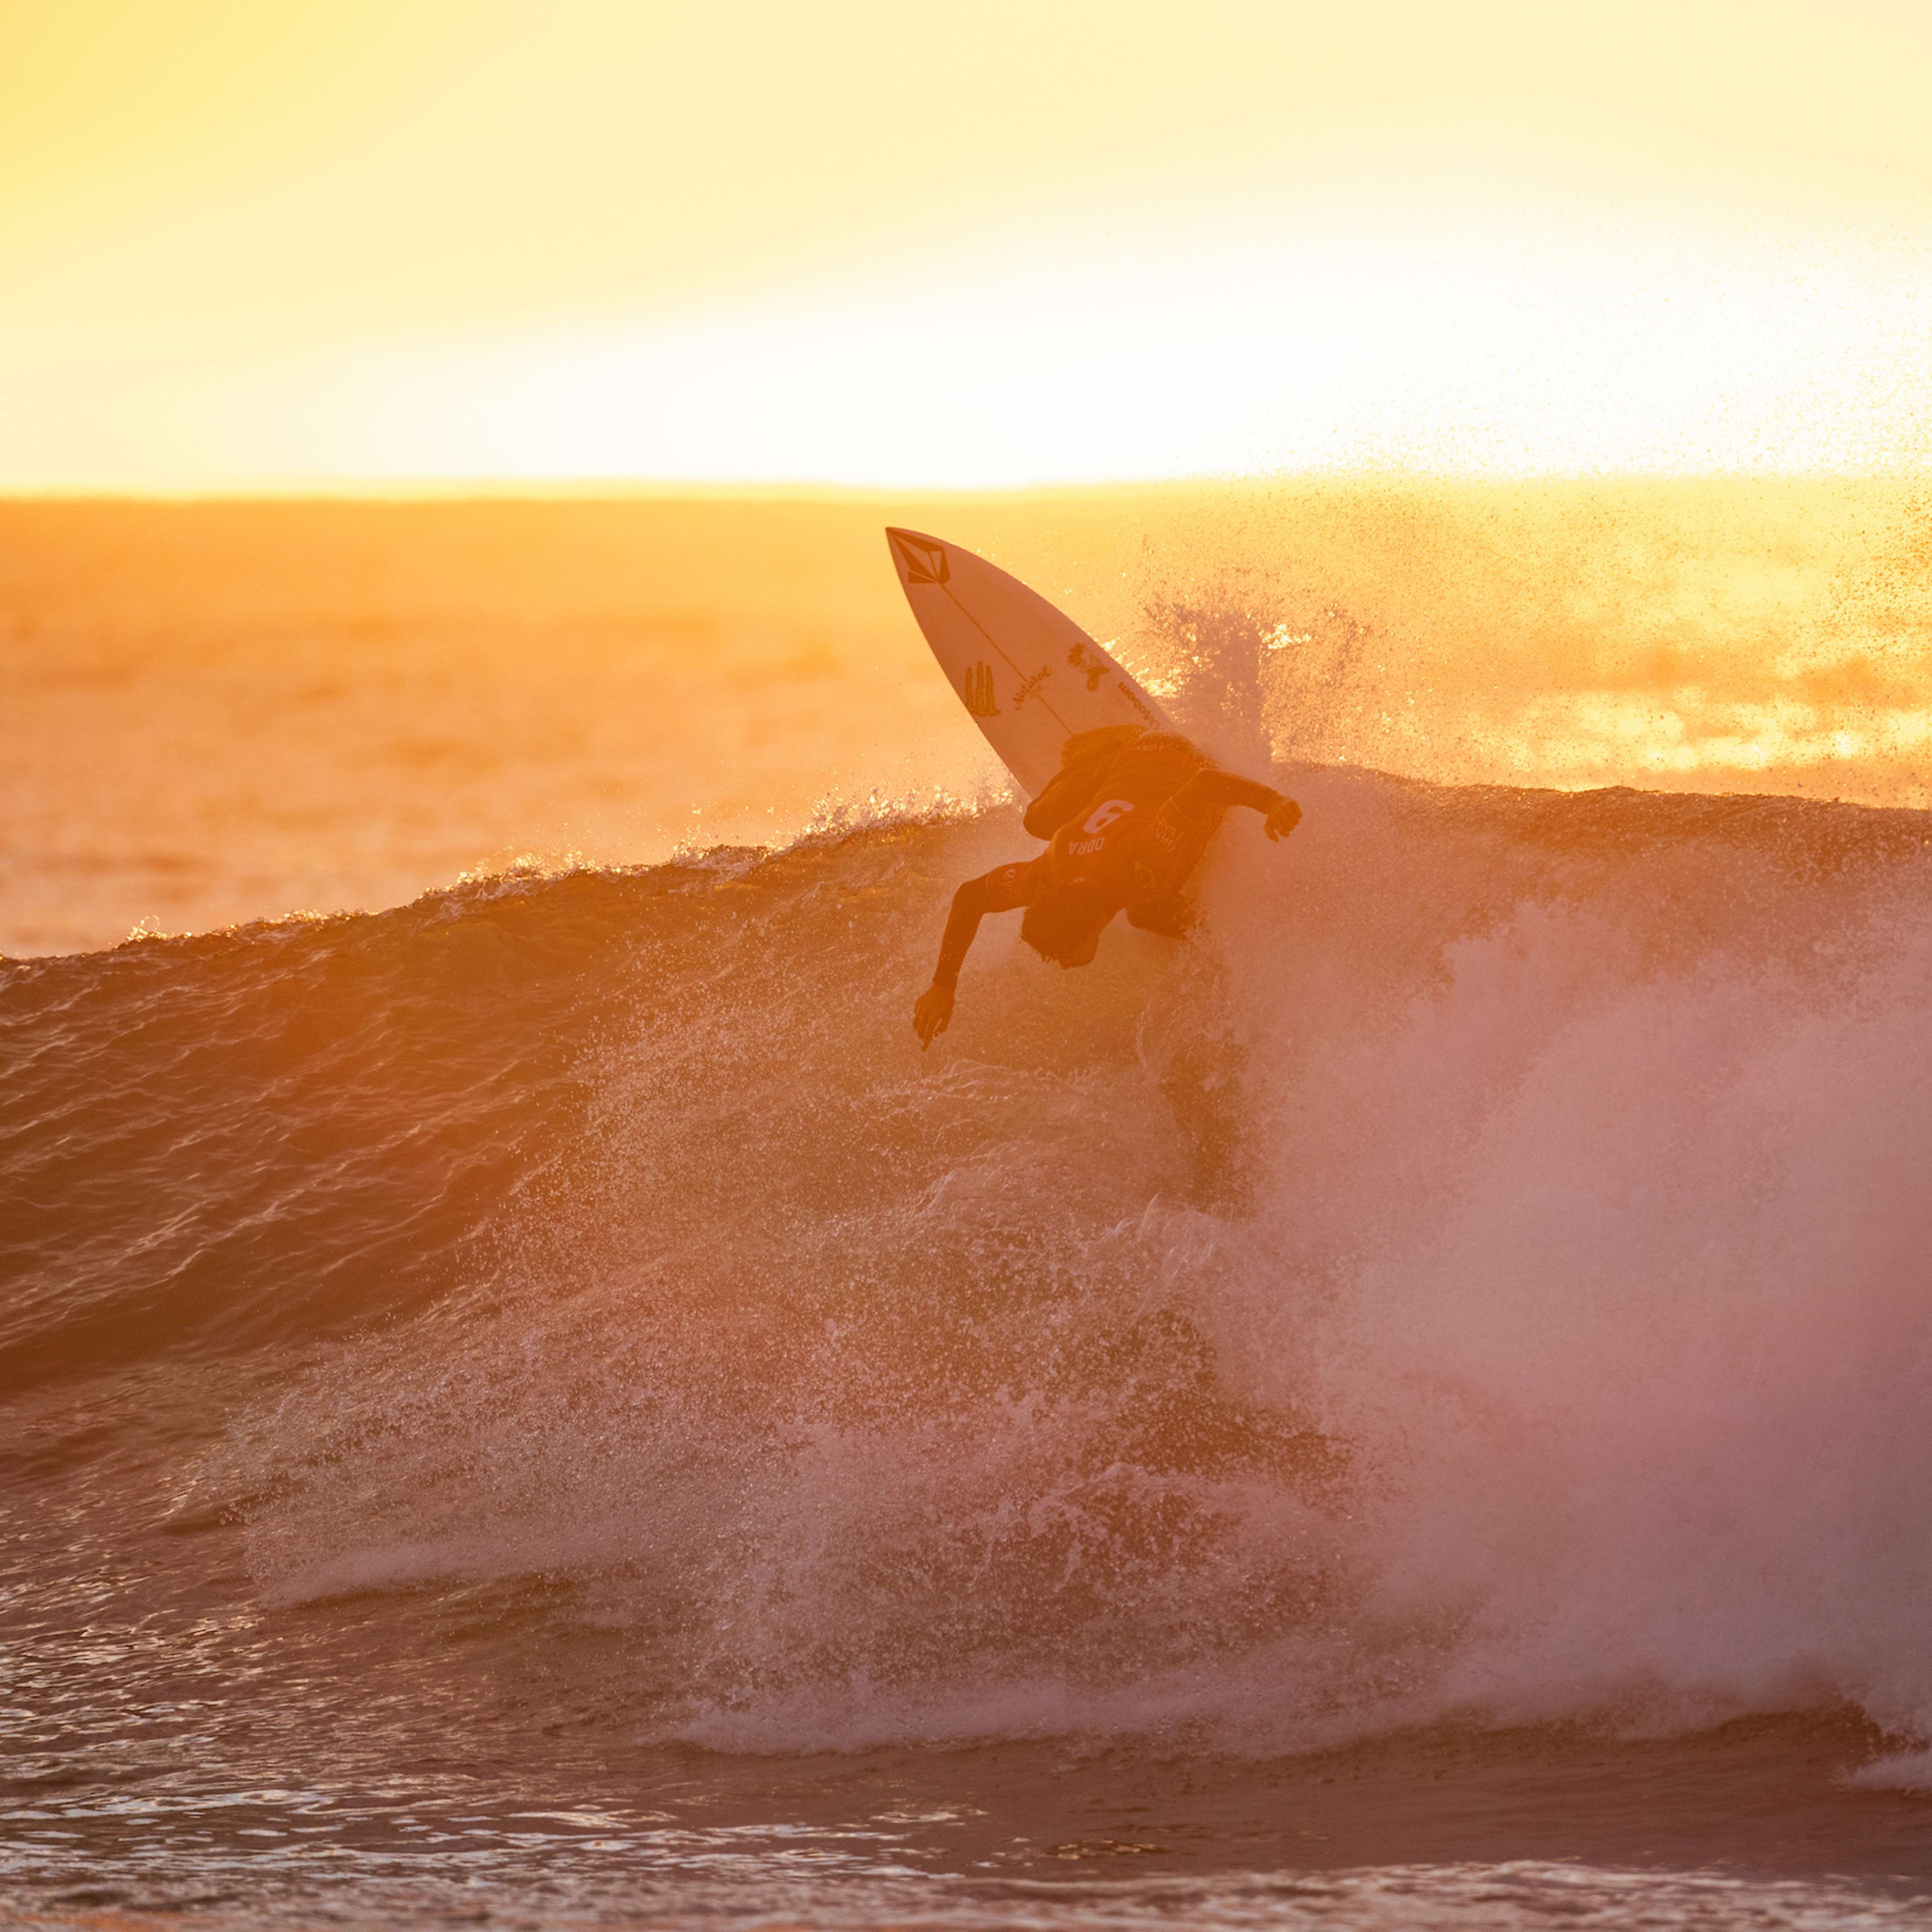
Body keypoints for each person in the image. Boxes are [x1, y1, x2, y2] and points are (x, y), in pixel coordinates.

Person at [913, 728, 1302, 1048]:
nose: (1065, 964)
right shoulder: (1048, 876)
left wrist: (1272, 802)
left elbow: (1204, 784)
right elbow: (971, 898)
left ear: (1090, 927)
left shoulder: (1143, 860)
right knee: (1037, 822)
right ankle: (1110, 753)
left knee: (1148, 910)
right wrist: (942, 987)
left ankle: (1114, 742)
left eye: (1066, 953)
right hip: (1129, 766)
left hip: (1179, 757)